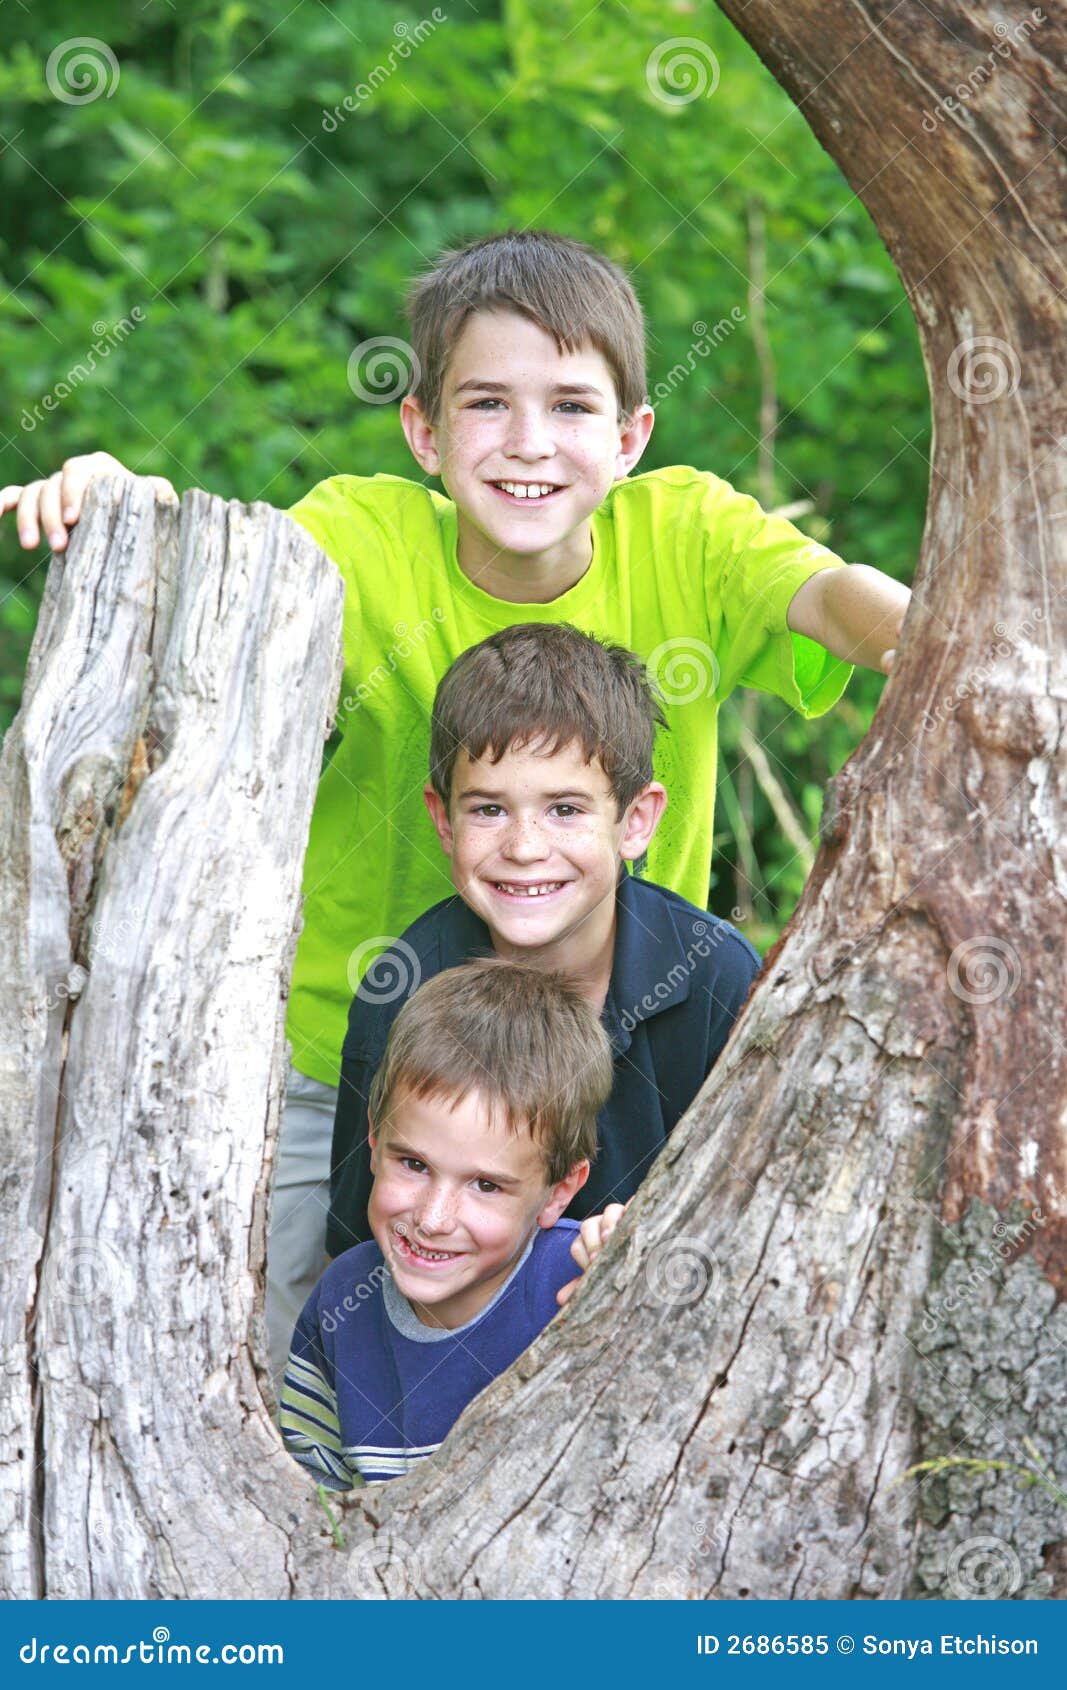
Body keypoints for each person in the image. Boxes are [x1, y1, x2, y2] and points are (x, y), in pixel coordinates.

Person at [2, 229, 912, 1381]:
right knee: (296, 1355)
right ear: (423, 430)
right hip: (352, 1057)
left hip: (617, 1055)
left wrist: (952, 628)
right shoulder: (365, 534)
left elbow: (837, 603)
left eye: (571, 406)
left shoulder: (686, 532)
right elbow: (212, 575)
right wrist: (124, 502)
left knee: (613, 1358)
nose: (528, 444)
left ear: (630, 436)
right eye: (486, 403)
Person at [328, 621, 760, 1257]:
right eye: (488, 809)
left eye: (565, 810)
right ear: (443, 820)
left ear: (635, 821)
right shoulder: (404, 989)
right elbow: (359, 1245)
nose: (525, 848)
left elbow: (754, 1213)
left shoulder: (717, 979)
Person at [280, 958, 622, 1489]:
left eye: (485, 1185)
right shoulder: (341, 1302)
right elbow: (314, 1493)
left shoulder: (578, 1287)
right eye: (414, 1165)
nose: (433, 1220)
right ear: (374, 1139)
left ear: (560, 1192)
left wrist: (633, 1282)